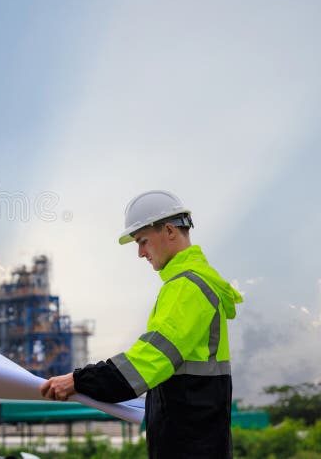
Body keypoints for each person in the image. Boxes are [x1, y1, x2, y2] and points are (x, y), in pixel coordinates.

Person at [40, 190, 243, 458]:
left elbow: (147, 361)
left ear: (169, 230)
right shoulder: (189, 284)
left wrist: (78, 381)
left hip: (190, 448)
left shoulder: (187, 287)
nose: (140, 253)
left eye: (143, 241)